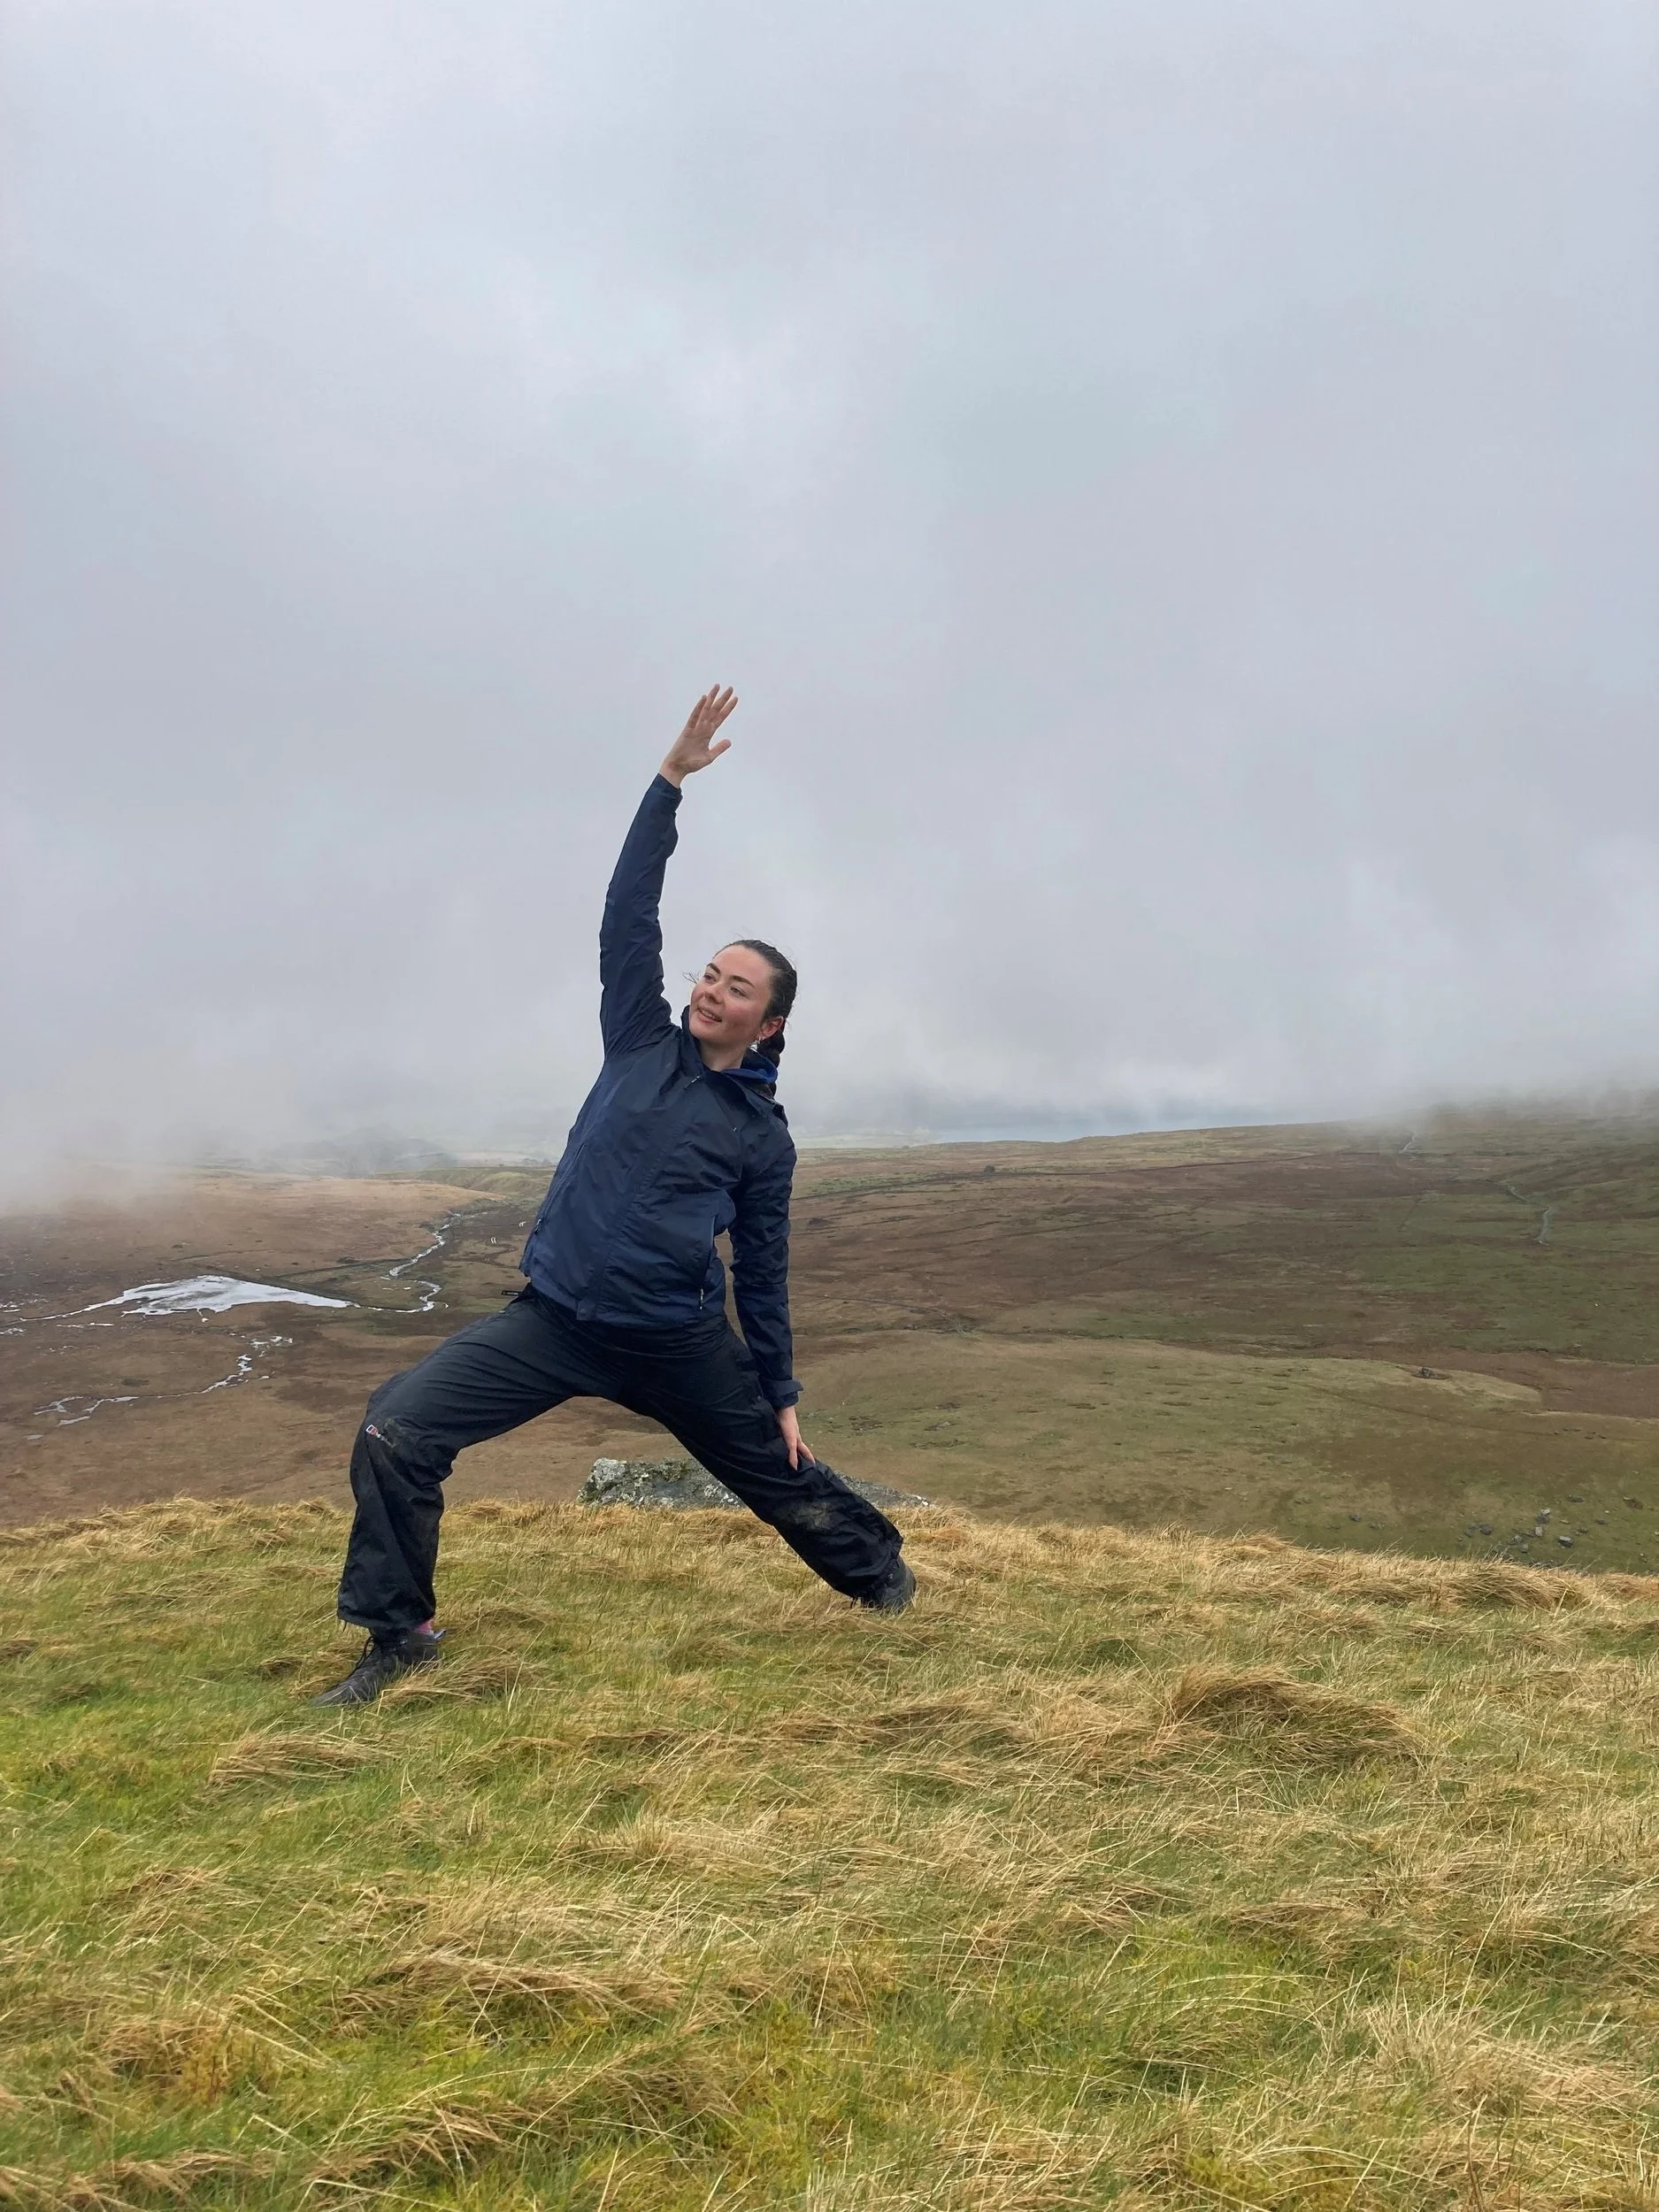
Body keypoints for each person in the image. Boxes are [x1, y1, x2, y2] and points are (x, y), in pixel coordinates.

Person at [314, 687, 914, 1706]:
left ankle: (886, 1579)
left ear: (767, 1025)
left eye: (736, 988)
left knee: (779, 1477)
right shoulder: (638, 1035)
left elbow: (761, 1269)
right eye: (710, 973)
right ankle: (398, 1633)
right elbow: (627, 910)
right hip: (554, 1321)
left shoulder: (760, 1137)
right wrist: (669, 779)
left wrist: (781, 1392)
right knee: (395, 1429)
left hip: (673, 1341)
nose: (710, 989)